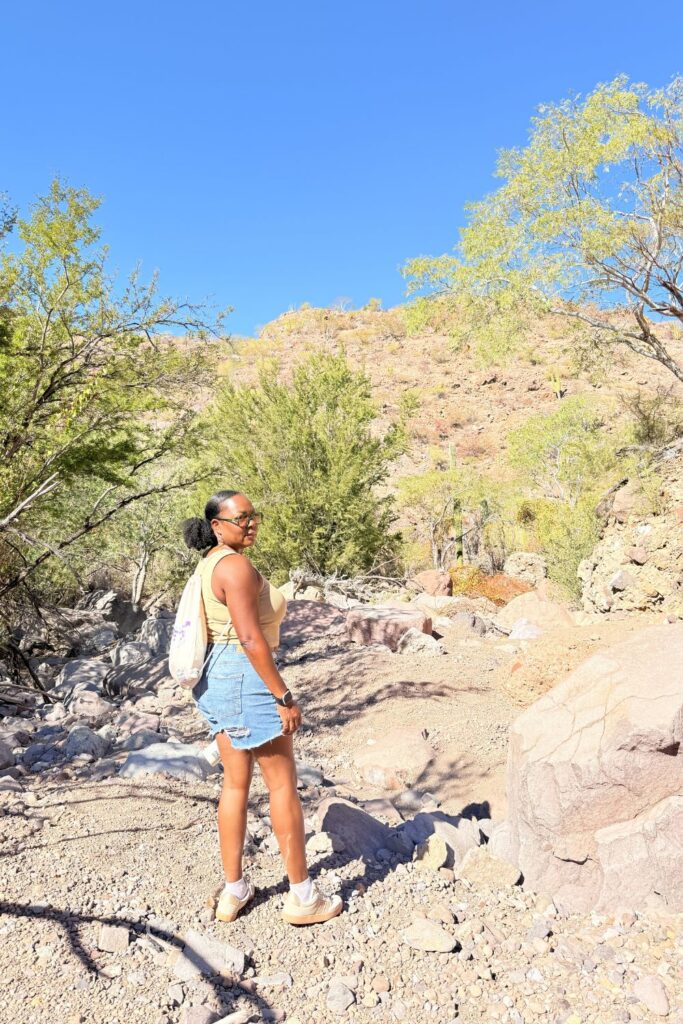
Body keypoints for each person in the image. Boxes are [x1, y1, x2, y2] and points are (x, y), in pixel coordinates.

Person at [182, 489, 342, 926]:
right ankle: (303, 897)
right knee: (282, 784)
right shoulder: (234, 567)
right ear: (217, 526)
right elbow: (251, 638)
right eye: (241, 518)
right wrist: (283, 696)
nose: (251, 524)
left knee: (235, 785)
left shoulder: (212, 562)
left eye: (254, 516)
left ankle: (234, 891)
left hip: (218, 676)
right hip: (243, 676)